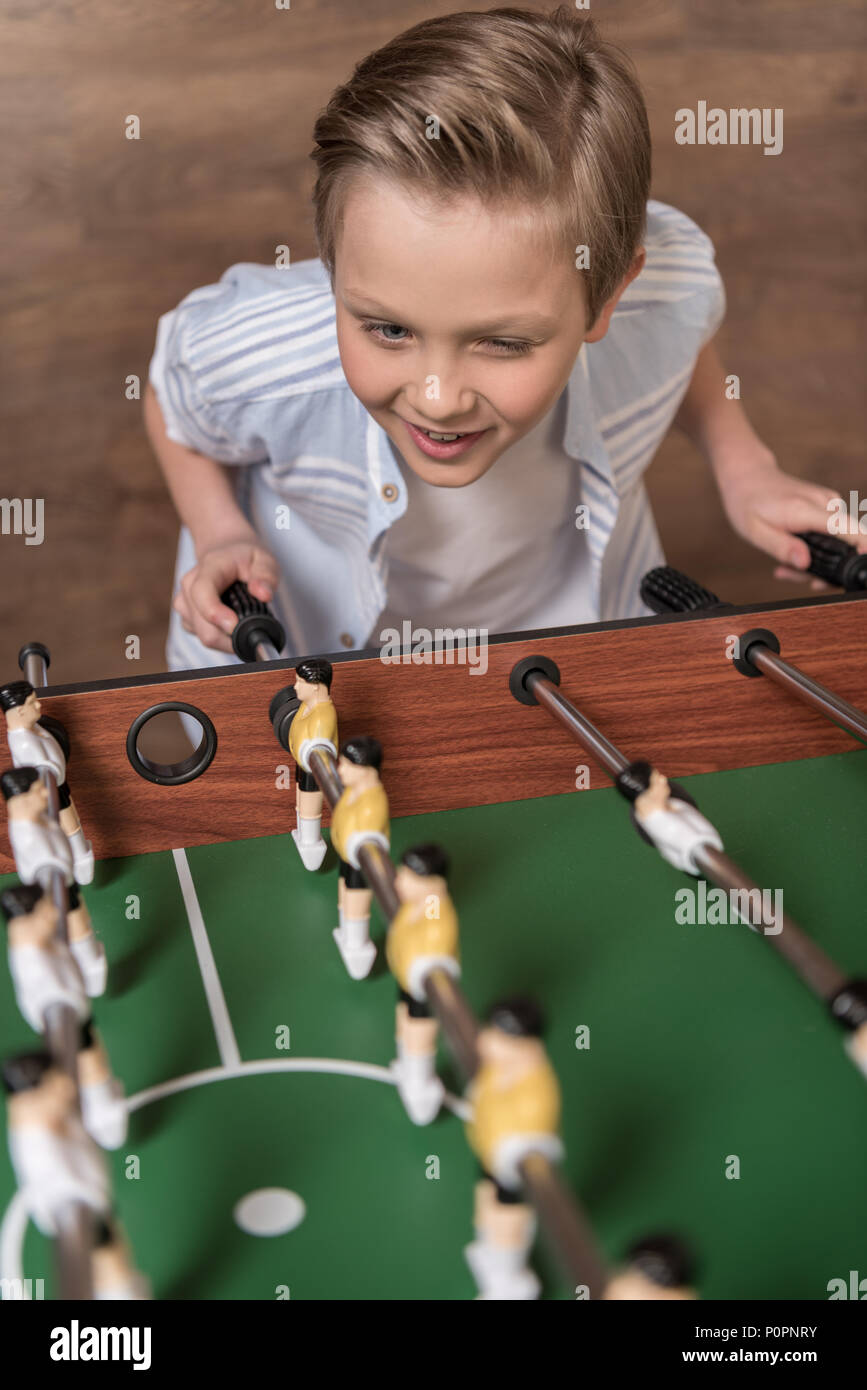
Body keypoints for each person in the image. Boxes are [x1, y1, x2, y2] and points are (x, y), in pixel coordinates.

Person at [143, 9, 866, 676]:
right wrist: (219, 533)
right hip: (304, 660)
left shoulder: (667, 292)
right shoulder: (254, 353)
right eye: (388, 329)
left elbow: (679, 333)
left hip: (559, 654)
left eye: (500, 343)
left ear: (608, 296)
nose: (437, 397)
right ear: (331, 271)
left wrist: (745, 468)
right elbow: (174, 402)